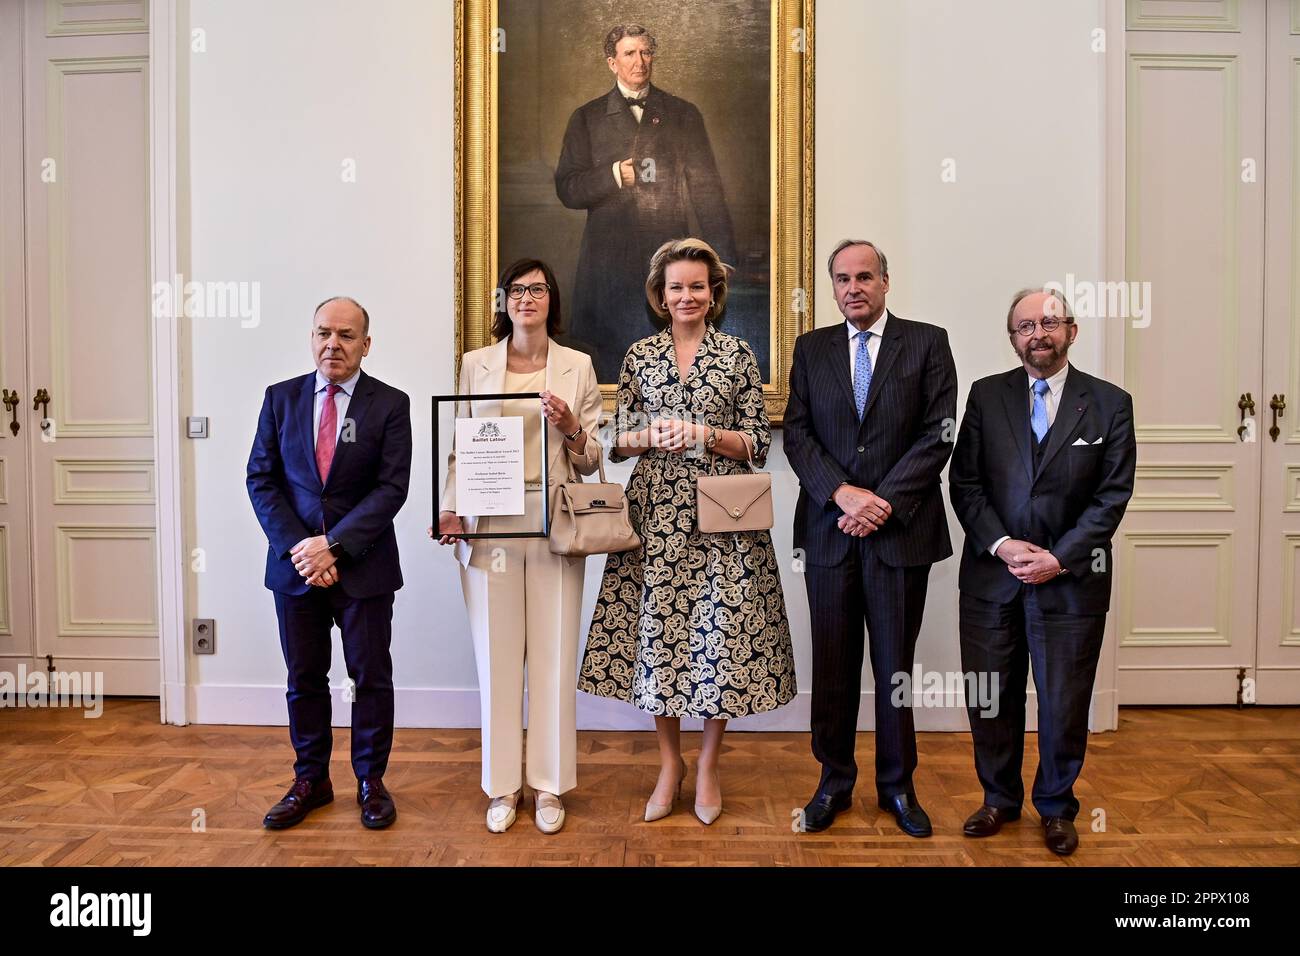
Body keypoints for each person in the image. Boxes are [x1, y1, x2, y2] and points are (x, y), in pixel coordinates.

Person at [578, 237, 795, 826]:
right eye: (677, 286)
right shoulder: (639, 355)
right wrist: (649, 436)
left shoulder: (738, 354)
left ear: (714, 292)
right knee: (659, 635)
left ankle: (707, 765)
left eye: (697, 286)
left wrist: (702, 434)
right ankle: (669, 763)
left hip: (722, 515)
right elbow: (616, 439)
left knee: (720, 640)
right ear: (661, 294)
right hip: (653, 517)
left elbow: (757, 441)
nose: (687, 295)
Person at [948, 287, 1135, 856]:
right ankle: (998, 799)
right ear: (1013, 339)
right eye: (1025, 326)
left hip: (1072, 581)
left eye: (1049, 322)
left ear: (1072, 331)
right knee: (991, 696)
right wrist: (1004, 546)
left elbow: (1111, 496)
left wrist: (1058, 558)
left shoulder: (1109, 403)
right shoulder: (986, 396)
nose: (1038, 334)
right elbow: (966, 483)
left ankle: (1056, 806)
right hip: (992, 578)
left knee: (1063, 699)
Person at [783, 239, 957, 836]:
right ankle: (832, 784)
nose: (852, 287)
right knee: (832, 666)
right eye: (841, 279)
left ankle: (897, 788)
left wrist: (879, 502)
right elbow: (798, 437)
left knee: (894, 669)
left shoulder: (928, 343)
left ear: (886, 281)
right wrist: (842, 494)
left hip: (899, 533)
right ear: (832, 287)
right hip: (830, 534)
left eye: (864, 276)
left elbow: (940, 433)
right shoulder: (811, 350)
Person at [433, 258, 603, 834]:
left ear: (552, 299)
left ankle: (550, 787)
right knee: (497, 660)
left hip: (554, 522)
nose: (527, 298)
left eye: (538, 290)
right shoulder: (475, 363)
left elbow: (593, 458)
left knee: (554, 658)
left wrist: (572, 426)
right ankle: (502, 786)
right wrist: (451, 506)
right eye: (516, 290)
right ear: (502, 300)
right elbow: (460, 444)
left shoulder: (576, 366)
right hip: (488, 525)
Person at [247, 296, 412, 830]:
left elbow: (392, 488)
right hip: (295, 569)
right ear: (311, 337)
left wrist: (333, 546)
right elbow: (262, 479)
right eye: (323, 333)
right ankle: (311, 780)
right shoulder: (280, 399)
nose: (332, 344)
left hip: (363, 568)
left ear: (366, 344)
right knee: (304, 679)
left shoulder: (390, 404)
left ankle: (370, 781)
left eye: (345, 335)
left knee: (370, 676)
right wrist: (303, 549)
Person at [555, 23, 738, 383]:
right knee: (609, 360)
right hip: (607, 264)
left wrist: (723, 257)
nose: (639, 62)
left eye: (645, 53)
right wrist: (611, 176)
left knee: (676, 356)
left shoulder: (683, 113)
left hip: (669, 259)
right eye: (629, 53)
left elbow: (707, 190)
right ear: (612, 62)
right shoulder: (586, 118)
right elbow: (568, 188)